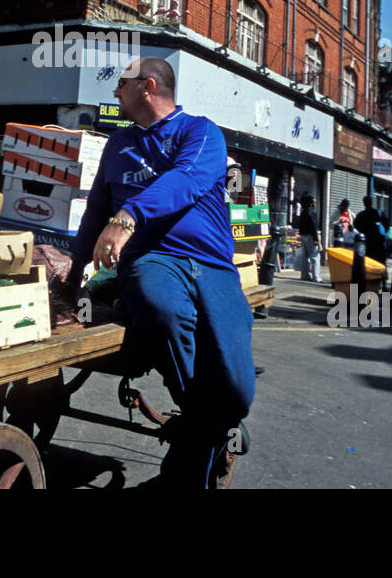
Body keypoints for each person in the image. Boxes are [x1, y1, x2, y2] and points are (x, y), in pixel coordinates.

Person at [70, 57, 254, 489]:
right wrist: (74, 267)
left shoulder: (201, 131)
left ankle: (201, 431)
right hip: (153, 258)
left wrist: (129, 215)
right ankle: (196, 450)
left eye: (121, 84)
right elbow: (97, 206)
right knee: (160, 310)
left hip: (212, 265)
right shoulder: (117, 144)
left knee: (239, 391)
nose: (115, 92)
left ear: (147, 86)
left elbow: (187, 180)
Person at [354, 196, 388, 288]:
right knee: (381, 262)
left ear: (364, 203)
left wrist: (362, 231)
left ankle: (369, 281)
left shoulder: (361, 214)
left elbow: (355, 224)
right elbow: (386, 223)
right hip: (378, 242)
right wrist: (383, 234)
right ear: (371, 202)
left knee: (368, 262)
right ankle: (384, 283)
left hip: (367, 242)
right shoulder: (378, 213)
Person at [295, 194, 321, 282]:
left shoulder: (303, 212)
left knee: (305, 257)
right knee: (315, 256)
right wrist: (316, 239)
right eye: (314, 201)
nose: (315, 202)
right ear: (310, 202)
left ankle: (304, 275)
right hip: (311, 235)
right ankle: (316, 277)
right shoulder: (312, 211)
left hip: (303, 235)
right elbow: (313, 226)